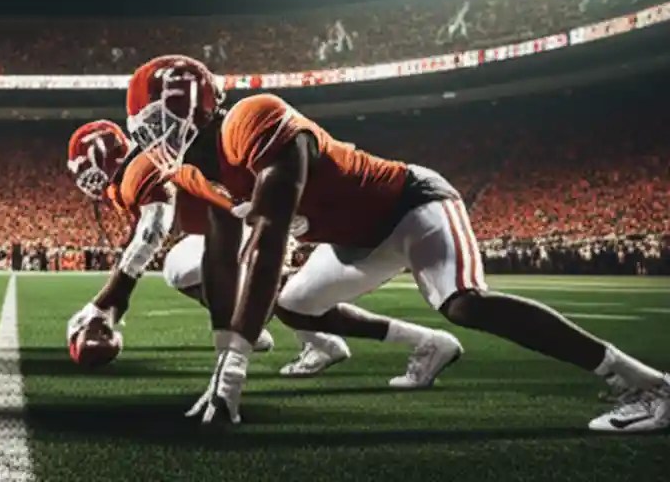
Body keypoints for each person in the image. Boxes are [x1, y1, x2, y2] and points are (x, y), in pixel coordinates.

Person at [124, 54, 670, 432]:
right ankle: (426, 345)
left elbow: (268, 236)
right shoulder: (193, 175)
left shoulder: (251, 119)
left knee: (464, 304)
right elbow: (229, 252)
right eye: (143, 128)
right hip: (352, 242)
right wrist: (231, 337)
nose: (153, 138)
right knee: (294, 305)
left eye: (157, 120)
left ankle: (650, 386)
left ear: (192, 103)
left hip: (410, 205)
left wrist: (235, 363)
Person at [63, 120, 360, 376]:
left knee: (188, 267)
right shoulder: (139, 168)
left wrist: (109, 298)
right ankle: (258, 327)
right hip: (242, 218)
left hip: (247, 220)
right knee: (183, 267)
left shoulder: (136, 172)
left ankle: (320, 337)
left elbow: (153, 228)